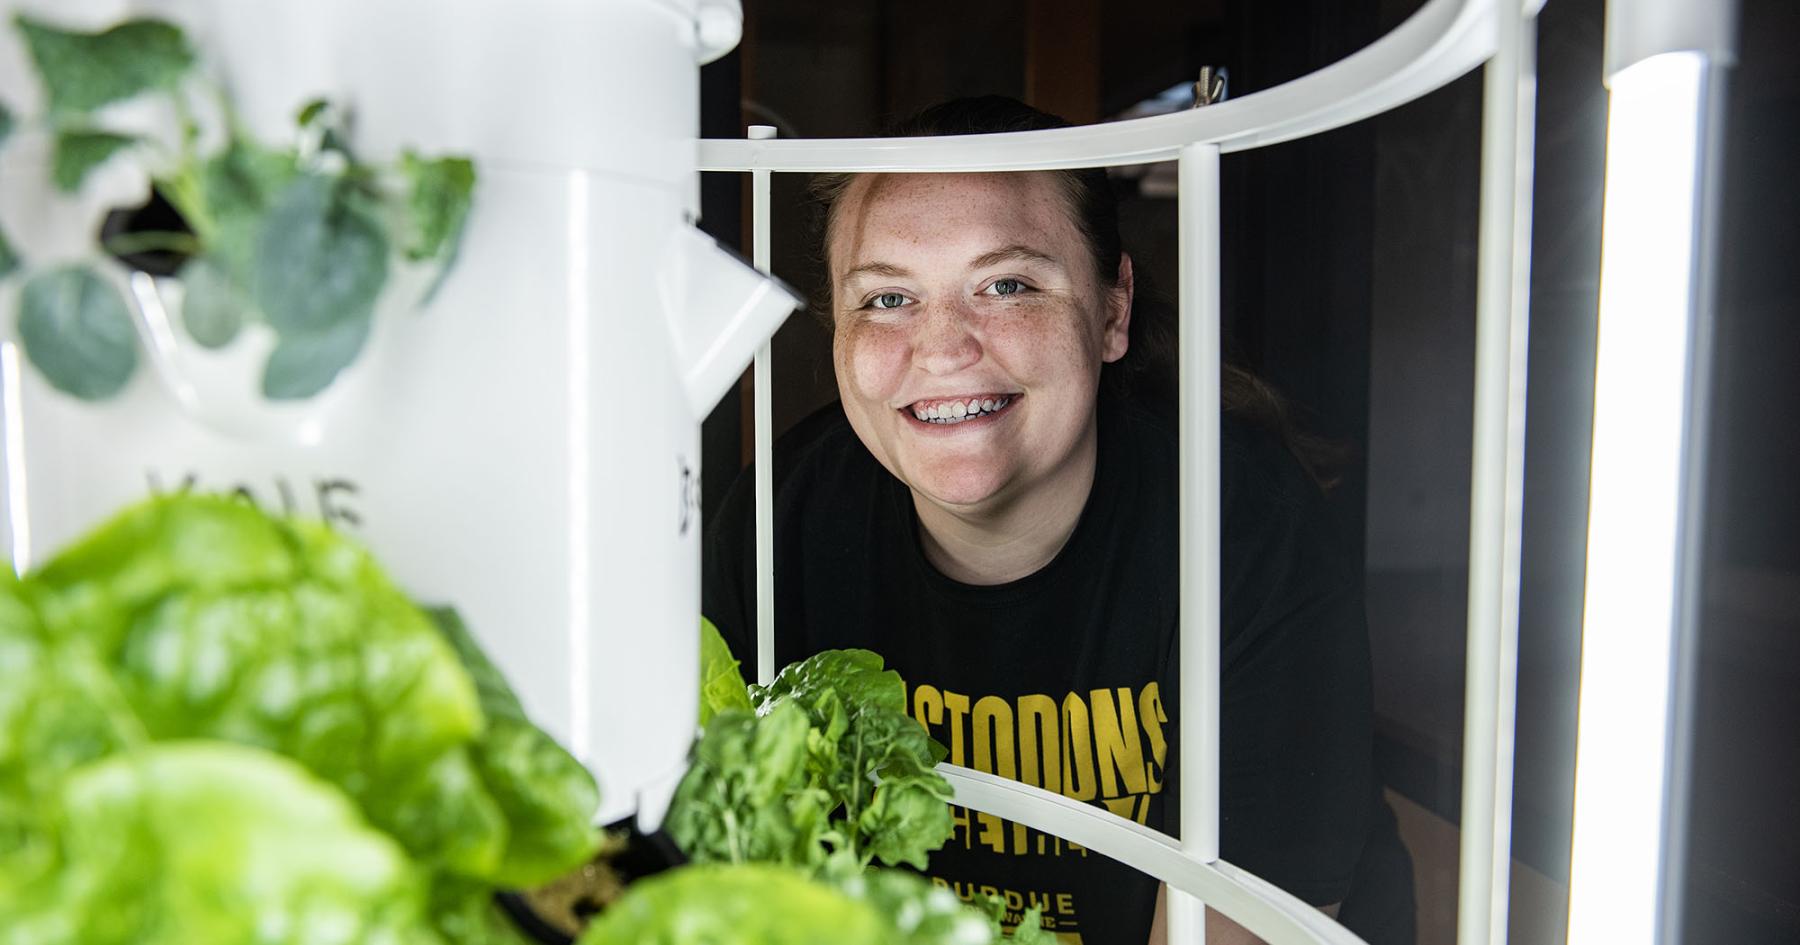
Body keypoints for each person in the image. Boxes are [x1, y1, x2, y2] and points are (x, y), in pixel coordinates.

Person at [704, 96, 1414, 945]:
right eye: (887, 298)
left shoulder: (1247, 527)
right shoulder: (782, 519)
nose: (941, 347)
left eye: (1006, 284)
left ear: (1111, 313)